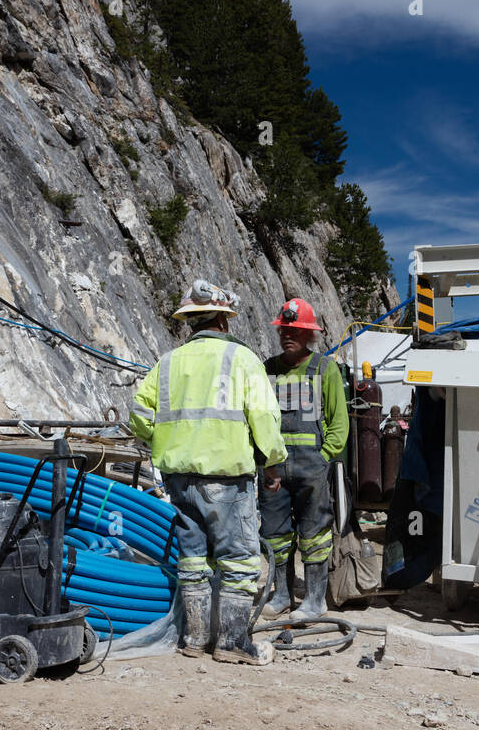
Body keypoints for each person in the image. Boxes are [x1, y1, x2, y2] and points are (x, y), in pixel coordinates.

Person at [129, 280, 286, 665]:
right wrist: (273, 461)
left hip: (179, 478)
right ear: (222, 319)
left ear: (189, 323)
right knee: (238, 559)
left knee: (193, 559)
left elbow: (138, 414)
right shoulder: (241, 359)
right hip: (226, 478)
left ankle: (195, 639)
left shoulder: (167, 363)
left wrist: (166, 440)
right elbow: (264, 415)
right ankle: (232, 643)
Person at [259, 297, 349, 620]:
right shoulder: (266, 370)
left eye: (295, 329)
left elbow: (340, 424)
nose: (288, 334)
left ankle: (314, 600)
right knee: (275, 534)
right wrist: (264, 461)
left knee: (315, 535)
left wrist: (323, 458)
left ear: (309, 334)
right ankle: (282, 595)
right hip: (274, 470)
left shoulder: (326, 370)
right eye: (284, 328)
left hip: (312, 467)